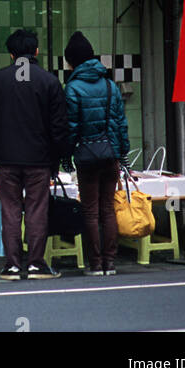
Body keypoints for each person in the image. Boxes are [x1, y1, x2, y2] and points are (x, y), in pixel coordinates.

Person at [0, 29, 69, 282]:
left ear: (11, 54)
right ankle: (37, 264)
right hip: (39, 159)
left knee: (10, 210)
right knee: (37, 210)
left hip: (6, 158)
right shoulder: (49, 81)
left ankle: (13, 265)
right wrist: (61, 156)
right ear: (36, 51)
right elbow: (60, 125)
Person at [64, 31, 130, 276]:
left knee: (90, 210)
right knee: (108, 208)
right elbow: (121, 123)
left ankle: (95, 264)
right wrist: (122, 153)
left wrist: (66, 156)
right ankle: (110, 263)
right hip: (110, 154)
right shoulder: (110, 85)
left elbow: (71, 127)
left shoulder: (72, 88)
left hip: (87, 157)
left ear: (73, 61)